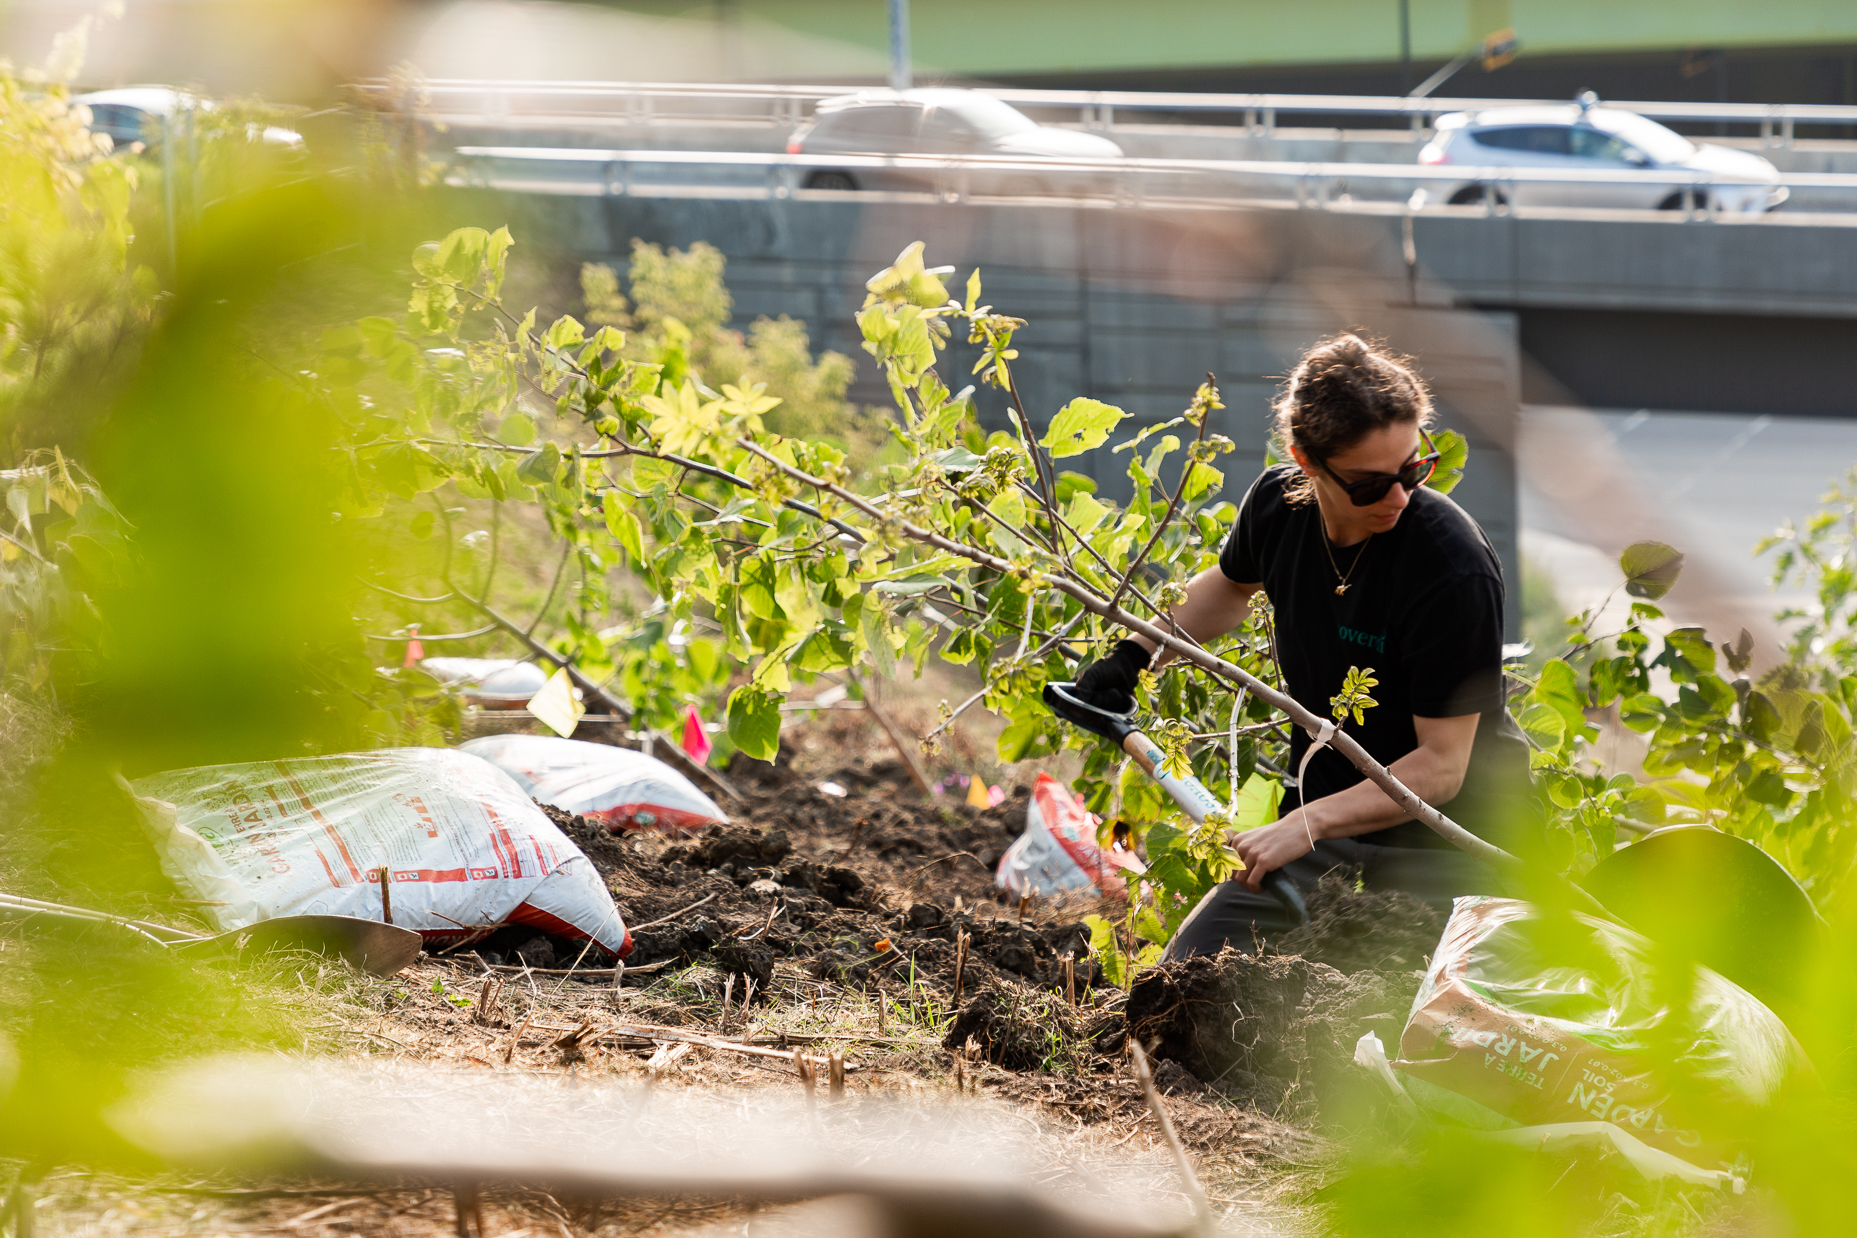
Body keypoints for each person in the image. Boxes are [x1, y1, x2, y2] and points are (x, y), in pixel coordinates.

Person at [1071, 334, 1534, 958]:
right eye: (1372, 485)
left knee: (1376, 1022)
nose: (1399, 497)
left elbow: (1442, 767)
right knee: (1183, 981)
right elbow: (1229, 588)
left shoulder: (1450, 566)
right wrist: (1136, 654)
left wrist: (1300, 826)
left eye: (1411, 471)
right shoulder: (1277, 507)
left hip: (1450, 850)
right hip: (1325, 836)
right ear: (1307, 462)